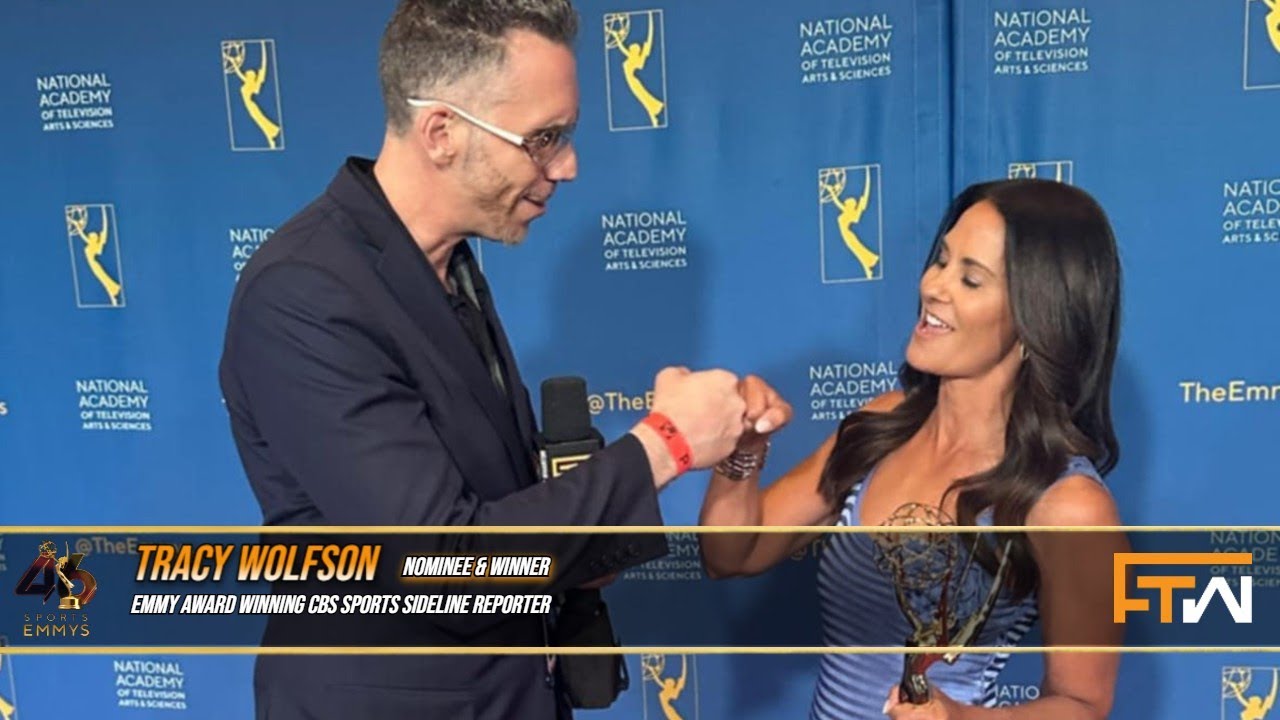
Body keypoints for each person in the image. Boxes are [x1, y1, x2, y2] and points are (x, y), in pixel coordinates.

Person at [217, 1, 761, 717]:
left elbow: (493, 513)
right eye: (543, 138)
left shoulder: (447, 266)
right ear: (442, 132)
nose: (567, 166)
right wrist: (666, 443)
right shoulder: (305, 294)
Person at [699, 179, 1128, 719]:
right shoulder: (882, 425)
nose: (933, 286)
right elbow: (731, 554)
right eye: (941, 260)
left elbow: (1084, 705)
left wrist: (960, 718)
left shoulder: (1070, 505)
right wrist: (743, 453)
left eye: (971, 279)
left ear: (1034, 322)